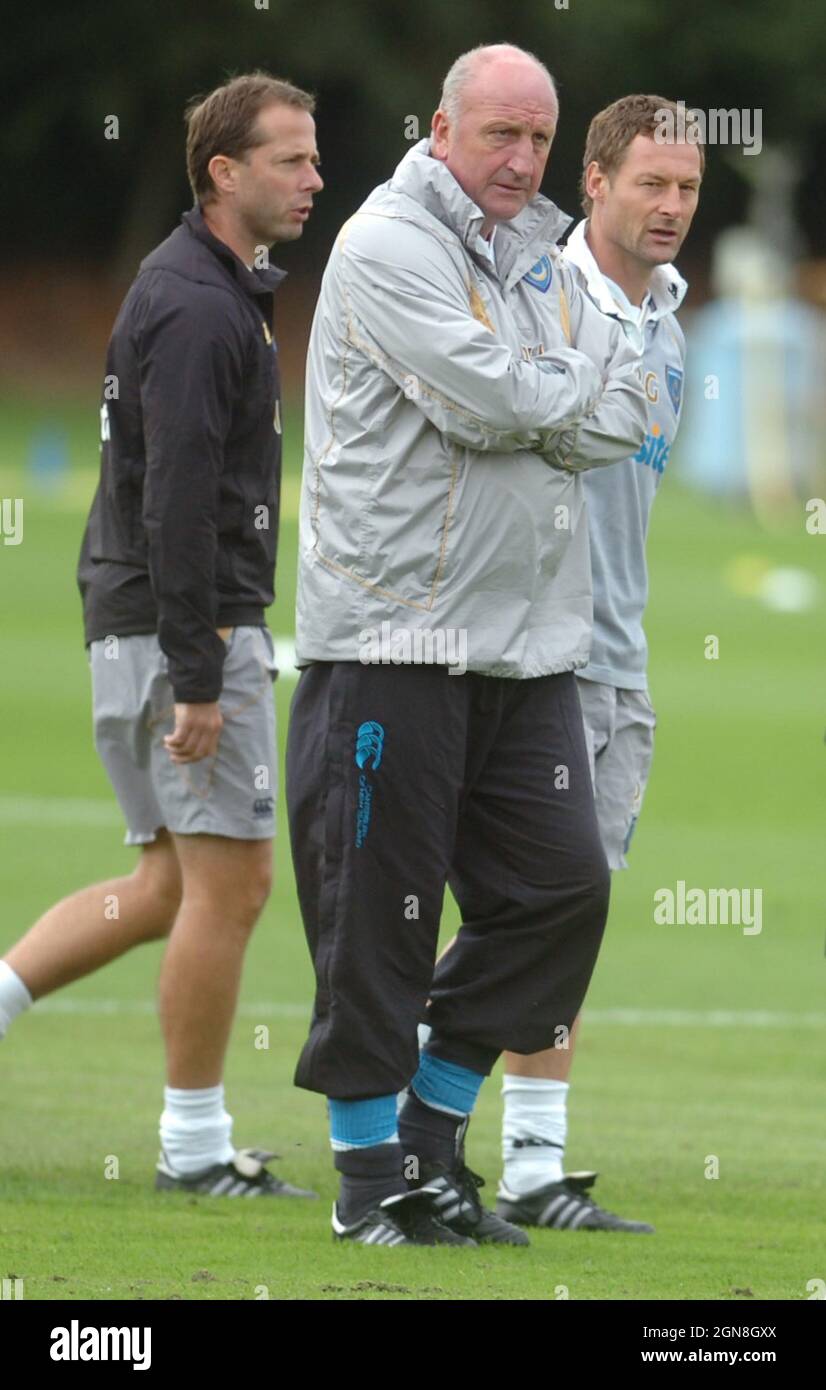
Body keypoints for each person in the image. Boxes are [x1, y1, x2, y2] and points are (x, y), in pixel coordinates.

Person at [286, 43, 647, 1247]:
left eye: (539, 138)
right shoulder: (387, 243)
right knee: (377, 914)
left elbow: (627, 410)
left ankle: (431, 1138)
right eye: (499, 133)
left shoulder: (540, 253)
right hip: (395, 635)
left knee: (562, 889)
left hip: (529, 643)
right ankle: (366, 1183)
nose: (520, 159)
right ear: (439, 129)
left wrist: (547, 391)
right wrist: (557, 389)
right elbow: (493, 397)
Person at [0, 71, 323, 1200]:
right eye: (291, 159)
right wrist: (202, 675)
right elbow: (176, 499)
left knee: (164, 889)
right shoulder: (194, 302)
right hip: (183, 632)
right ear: (223, 173)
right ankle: (193, 1147)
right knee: (229, 890)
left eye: (315, 156)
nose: (314, 177)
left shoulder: (208, 283)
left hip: (135, 622)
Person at [492, 94, 703, 1232]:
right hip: (529, 660)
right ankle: (404, 1143)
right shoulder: (539, 301)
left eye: (688, 190)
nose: (671, 208)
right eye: (652, 185)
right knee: (527, 908)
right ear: (599, 181)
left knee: (571, 916)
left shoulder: (669, 327)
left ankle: (531, 1166)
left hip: (620, 665)